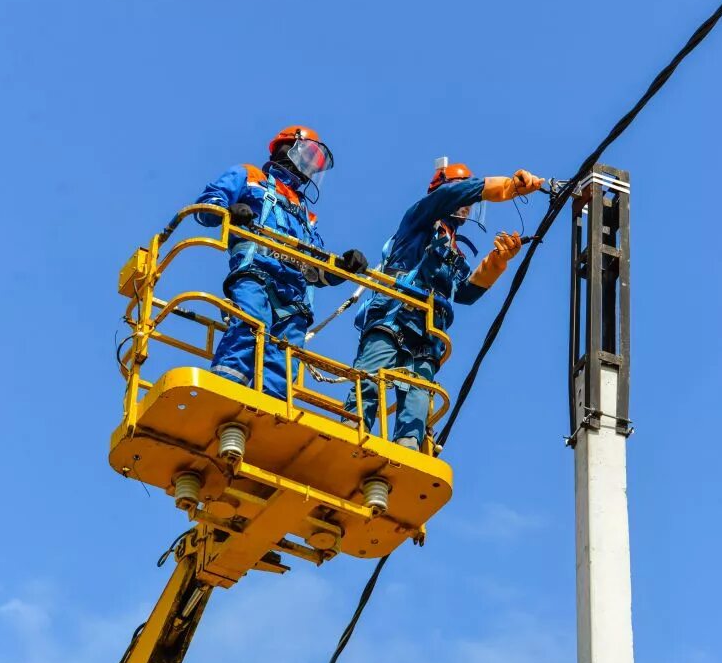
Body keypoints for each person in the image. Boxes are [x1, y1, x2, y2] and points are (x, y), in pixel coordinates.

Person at [343, 160, 543, 449]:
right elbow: (448, 197)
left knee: (419, 395)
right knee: (369, 380)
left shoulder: (454, 251)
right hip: (394, 315)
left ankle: (407, 448)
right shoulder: (419, 221)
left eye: (468, 202)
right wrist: (506, 187)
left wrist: (497, 262)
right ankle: (352, 430)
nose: (465, 206)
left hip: (429, 332)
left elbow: (465, 293)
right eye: (461, 196)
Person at [193, 125, 368, 397]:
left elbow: (316, 267)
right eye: (308, 156)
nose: (309, 167)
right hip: (255, 272)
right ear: (287, 147)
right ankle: (225, 390)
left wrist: (343, 268)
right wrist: (230, 211)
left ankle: (272, 406)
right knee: (250, 322)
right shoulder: (250, 176)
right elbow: (207, 206)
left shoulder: (305, 215)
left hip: (294, 292)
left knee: (287, 352)